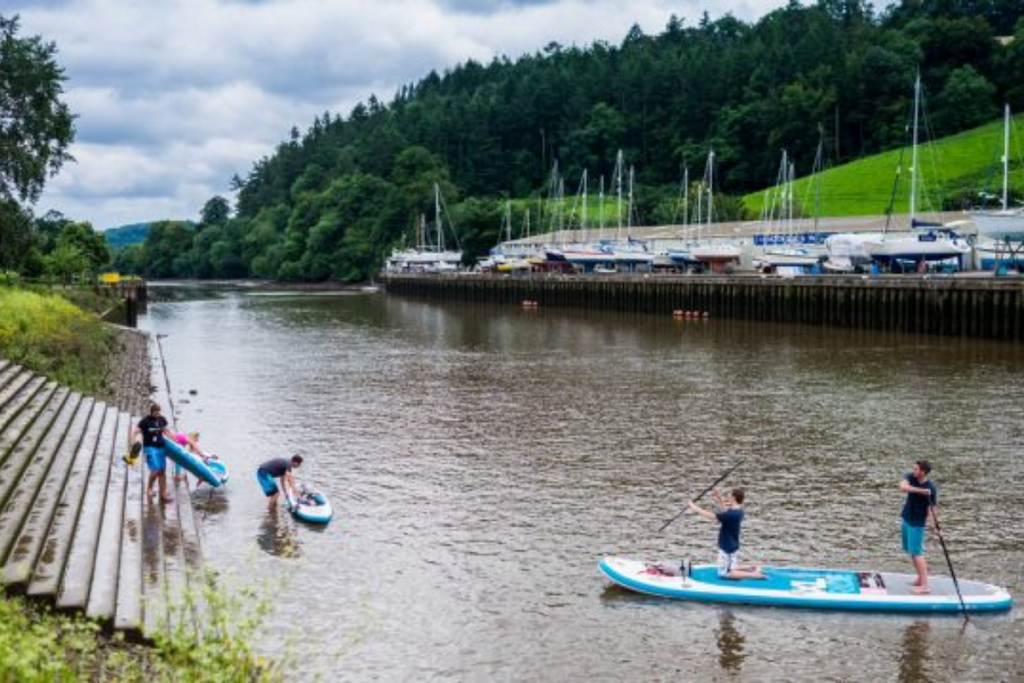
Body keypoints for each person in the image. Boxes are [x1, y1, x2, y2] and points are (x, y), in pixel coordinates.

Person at [689, 487, 766, 580]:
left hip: (727, 547)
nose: (728, 495)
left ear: (734, 497)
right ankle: (751, 567)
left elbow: (711, 516)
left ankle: (755, 575)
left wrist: (694, 507)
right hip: (731, 544)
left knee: (725, 574)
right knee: (729, 564)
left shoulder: (731, 515)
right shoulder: (738, 511)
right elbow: (725, 510)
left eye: (730, 494)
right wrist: (718, 496)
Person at [900, 459, 938, 594]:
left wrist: (935, 527)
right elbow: (903, 487)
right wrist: (921, 491)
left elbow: (931, 510)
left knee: (917, 553)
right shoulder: (911, 477)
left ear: (923, 472)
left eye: (916, 469)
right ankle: (920, 579)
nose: (913, 470)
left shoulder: (931, 489)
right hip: (906, 518)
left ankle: (925, 586)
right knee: (911, 551)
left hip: (917, 523)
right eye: (914, 468)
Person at [131, 403, 176, 503]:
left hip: (161, 447)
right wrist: (133, 442)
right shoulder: (145, 421)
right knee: (155, 469)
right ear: (151, 412)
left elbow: (166, 431)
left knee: (162, 471)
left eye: (158, 412)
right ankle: (149, 488)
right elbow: (135, 431)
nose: (157, 414)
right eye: (155, 412)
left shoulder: (162, 419)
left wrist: (175, 441)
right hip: (150, 448)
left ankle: (163, 494)